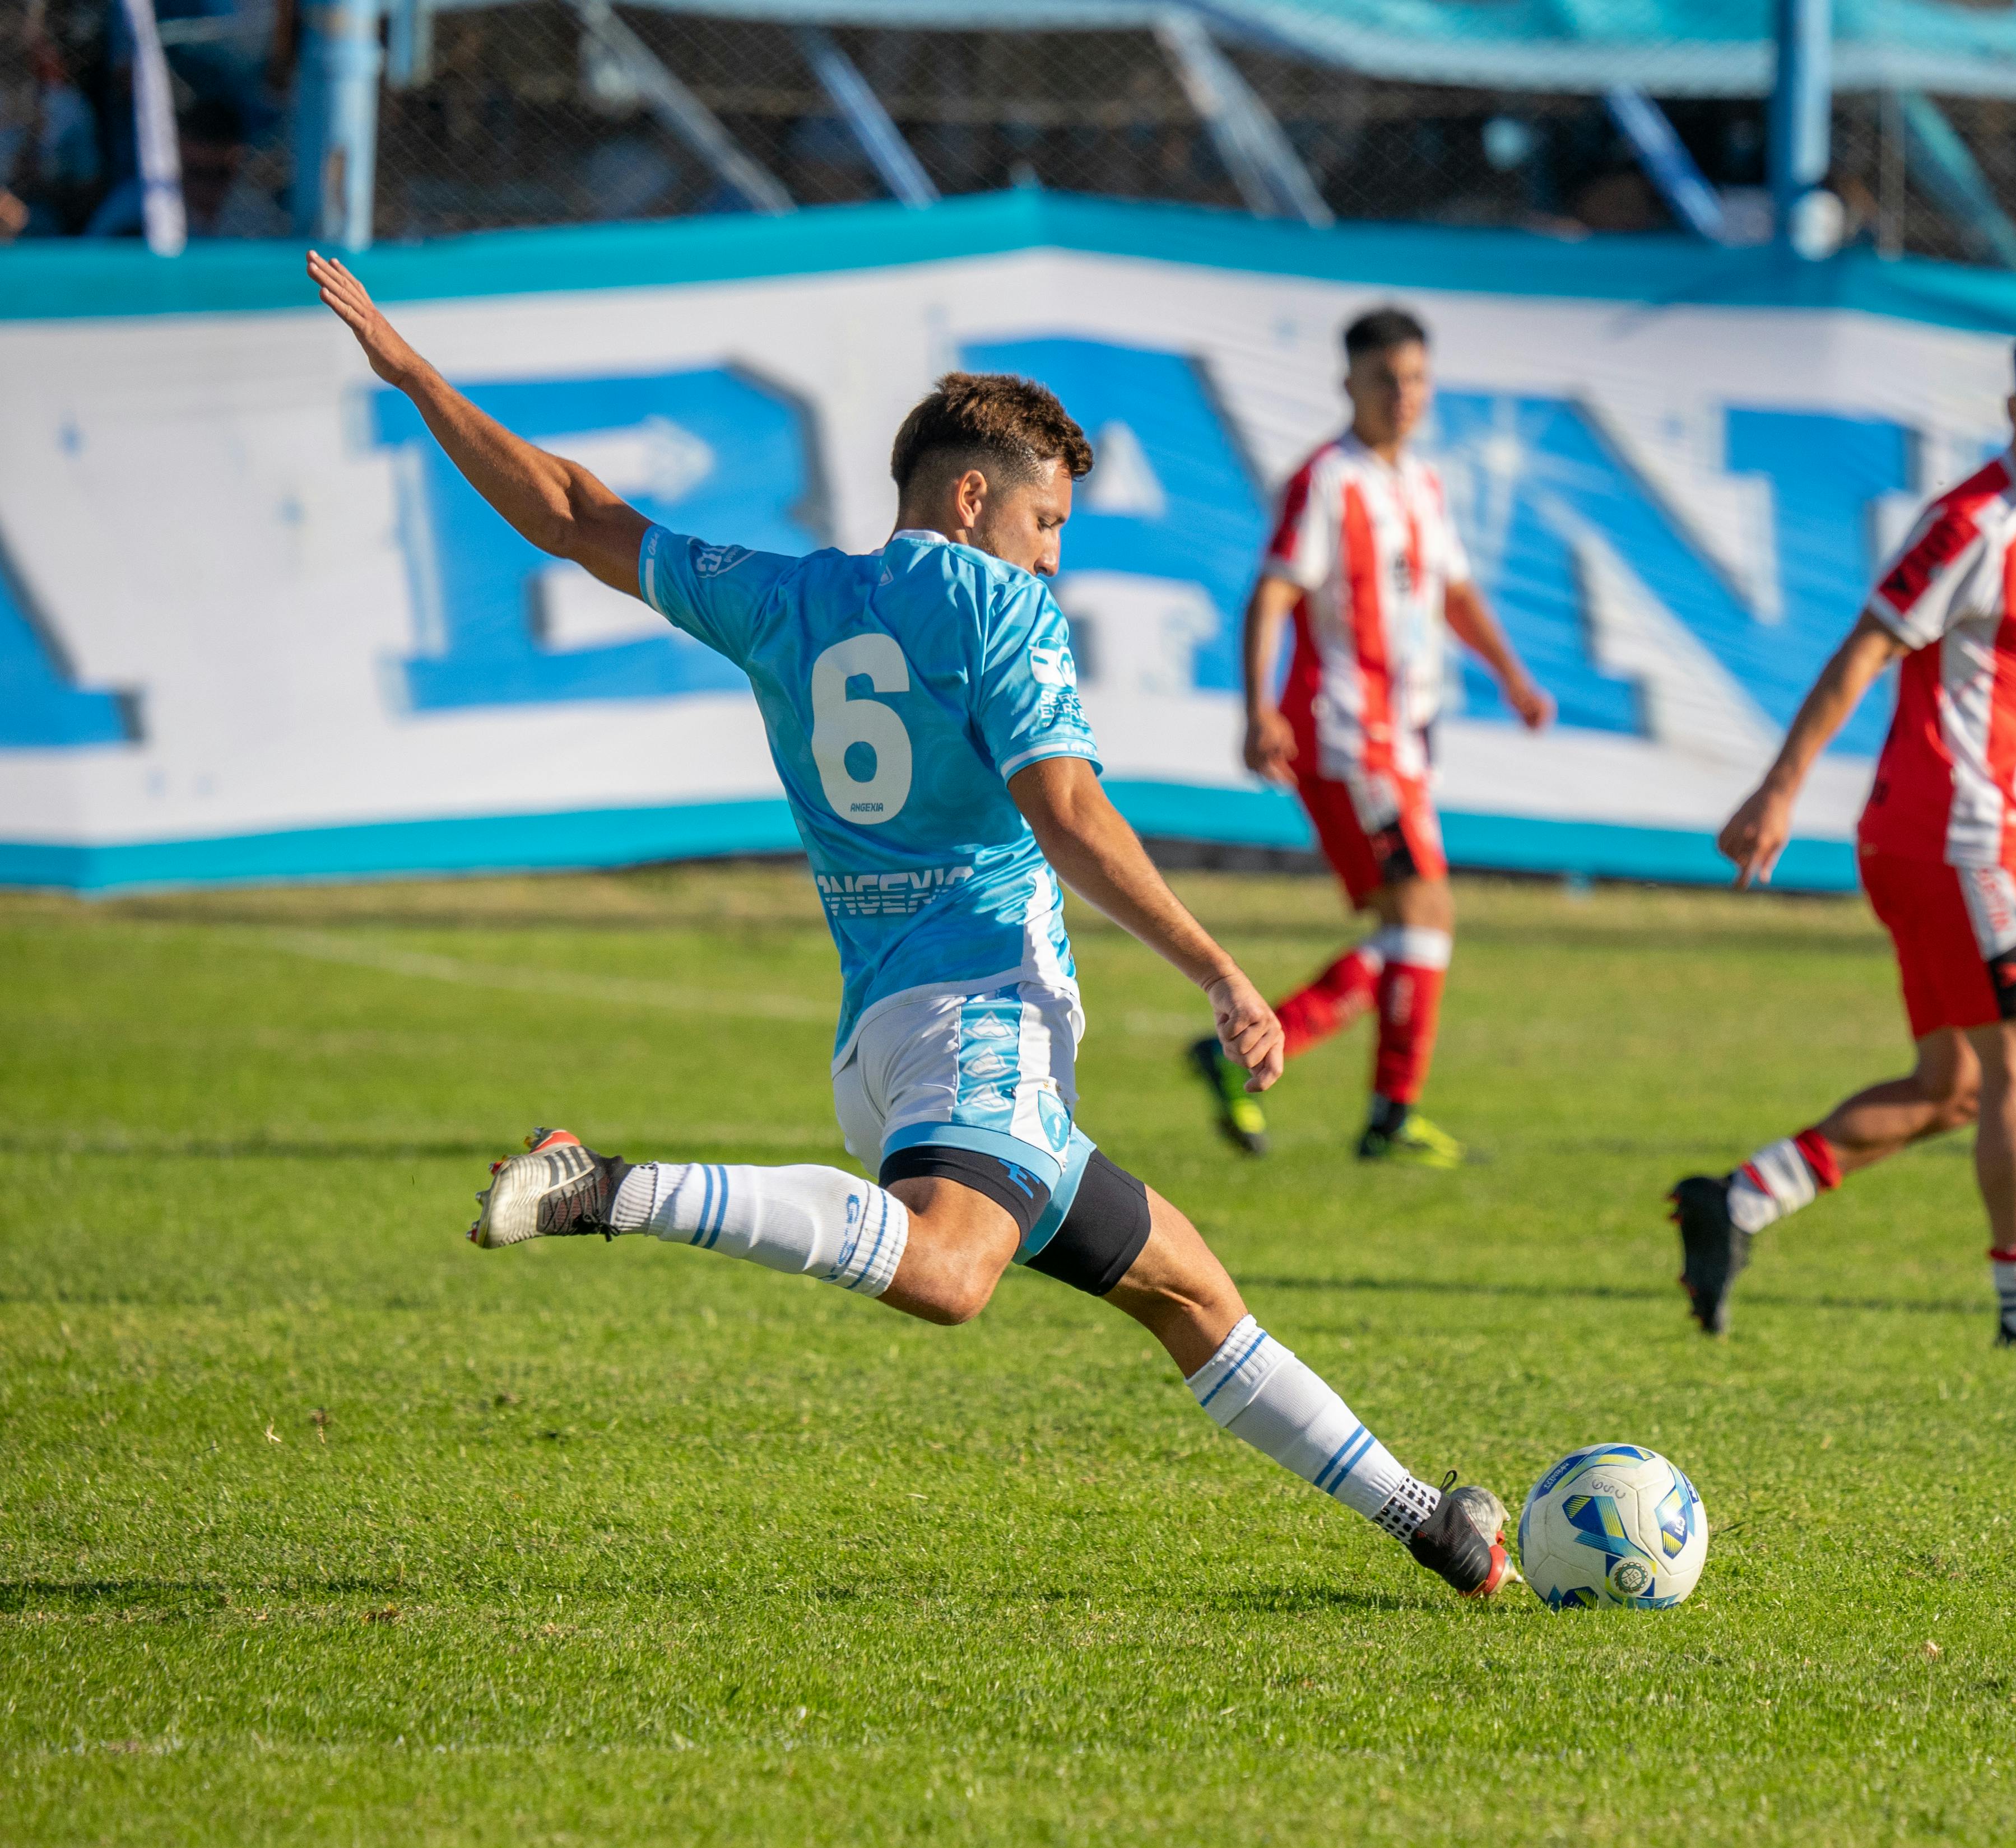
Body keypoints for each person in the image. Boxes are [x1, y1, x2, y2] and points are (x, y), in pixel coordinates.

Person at [303, 253, 1512, 1599]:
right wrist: (1221, 969)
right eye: (1047, 521)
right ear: (974, 496)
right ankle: (611, 1187)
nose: (1056, 554)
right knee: (947, 1273)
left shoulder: (785, 596)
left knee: (1193, 1299)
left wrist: (418, 380)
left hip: (888, 1041)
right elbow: (1067, 813)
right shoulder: (1001, 604)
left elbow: (575, 511)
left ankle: (1432, 1519)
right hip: (977, 1014)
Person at [1669, 320, 2016, 1354]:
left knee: (1954, 1087)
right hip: (1961, 837)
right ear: (2013, 411)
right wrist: (1781, 788)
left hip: (1969, 843)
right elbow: (1868, 644)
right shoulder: (1973, 524)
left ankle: (1736, 1202)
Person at [1190, 306, 1554, 1169]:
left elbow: (1457, 594)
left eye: (1417, 378)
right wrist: (1258, 708)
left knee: (1411, 930)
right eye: (1386, 379)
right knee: (1426, 911)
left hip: (1406, 737)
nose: (1404, 395)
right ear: (1347, 384)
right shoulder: (1326, 480)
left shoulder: (1421, 483)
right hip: (1349, 734)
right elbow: (1273, 594)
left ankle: (1263, 1062)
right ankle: (1385, 1112)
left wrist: (1512, 677)